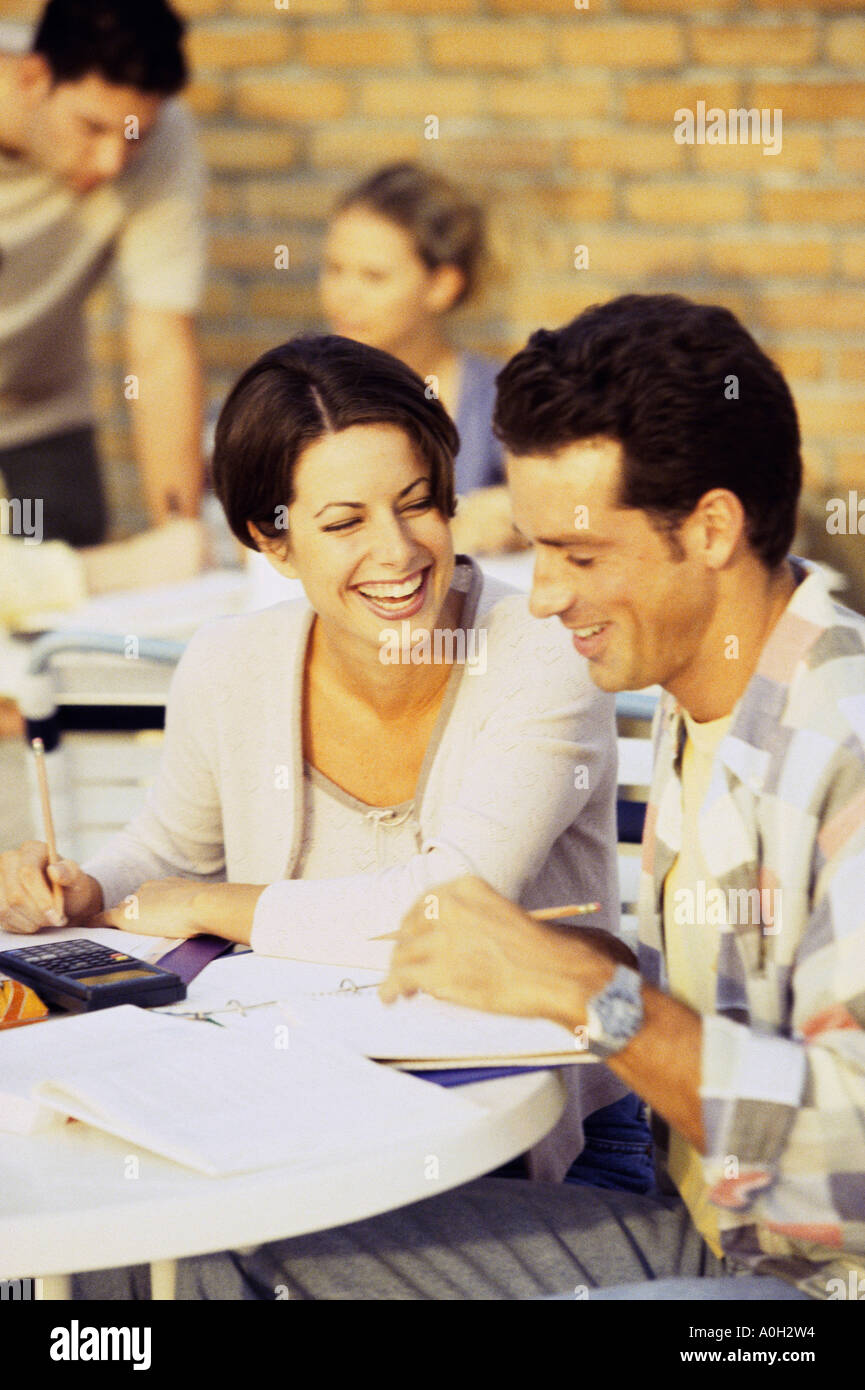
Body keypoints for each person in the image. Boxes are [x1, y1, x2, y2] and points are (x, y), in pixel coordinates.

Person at [111, 293, 863, 1301]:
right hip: (699, 1232)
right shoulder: (712, 697)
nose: (542, 595)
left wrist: (596, 997)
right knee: (198, 1244)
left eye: (579, 555)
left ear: (713, 528)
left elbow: (852, 1167)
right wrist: (616, 975)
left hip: (803, 1294)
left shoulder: (839, 744)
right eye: (537, 549)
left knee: (230, 1249)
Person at [0, 333, 637, 1189]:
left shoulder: (541, 653)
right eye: (343, 523)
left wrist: (205, 903)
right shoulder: (231, 662)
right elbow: (163, 857)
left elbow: (446, 907)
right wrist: (79, 890)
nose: (397, 551)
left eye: (417, 504)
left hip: (531, 1139)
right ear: (272, 541)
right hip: (310, 1104)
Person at [0, 0, 206, 546]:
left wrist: (181, 537)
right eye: (92, 127)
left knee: (70, 574)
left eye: (134, 135)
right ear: (32, 78)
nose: (114, 161)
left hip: (39, 409)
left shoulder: (163, 141)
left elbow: (160, 345)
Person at [320, 162, 523, 557]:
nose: (343, 294)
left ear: (442, 285)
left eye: (373, 276)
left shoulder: (502, 401)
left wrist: (518, 514)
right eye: (334, 269)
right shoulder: (300, 396)